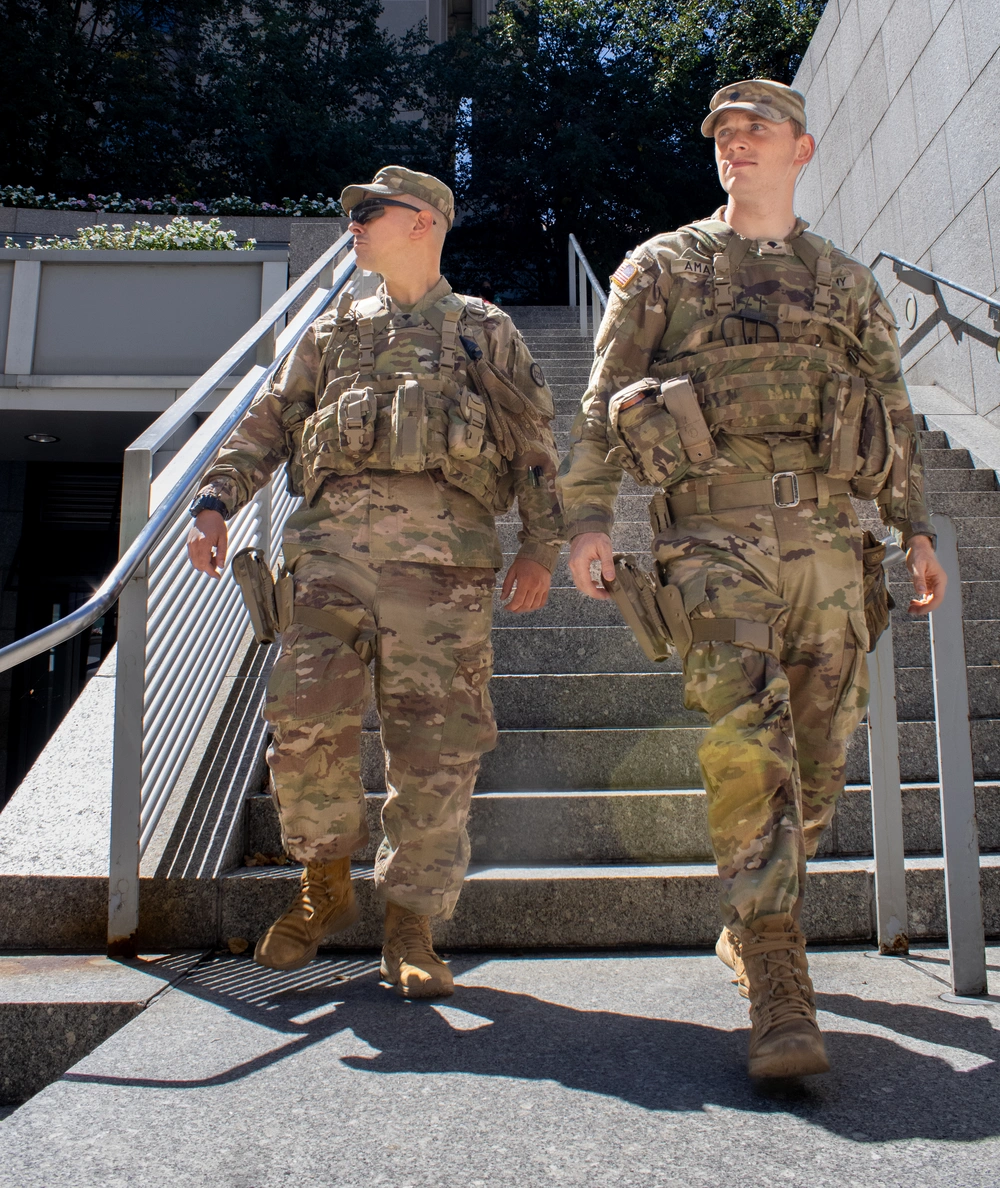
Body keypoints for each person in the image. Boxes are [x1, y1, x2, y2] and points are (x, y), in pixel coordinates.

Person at [558, 80, 946, 1081]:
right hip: (710, 540)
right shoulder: (662, 268)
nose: (735, 147)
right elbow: (605, 400)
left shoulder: (846, 282)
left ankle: (756, 913)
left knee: (816, 760)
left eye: (755, 133)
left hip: (827, 538)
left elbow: (893, 416)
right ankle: (777, 970)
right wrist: (588, 518)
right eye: (723, 136)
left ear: (800, 150)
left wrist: (912, 530)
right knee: (745, 738)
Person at [186, 166, 562, 997]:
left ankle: (411, 922)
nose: (351, 222)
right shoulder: (332, 332)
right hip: (330, 564)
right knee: (302, 717)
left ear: (424, 221)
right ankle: (323, 889)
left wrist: (542, 545)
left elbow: (534, 442)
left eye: (369, 211)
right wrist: (214, 502)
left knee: (436, 750)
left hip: (446, 574)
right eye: (351, 212)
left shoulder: (484, 330)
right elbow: (268, 424)